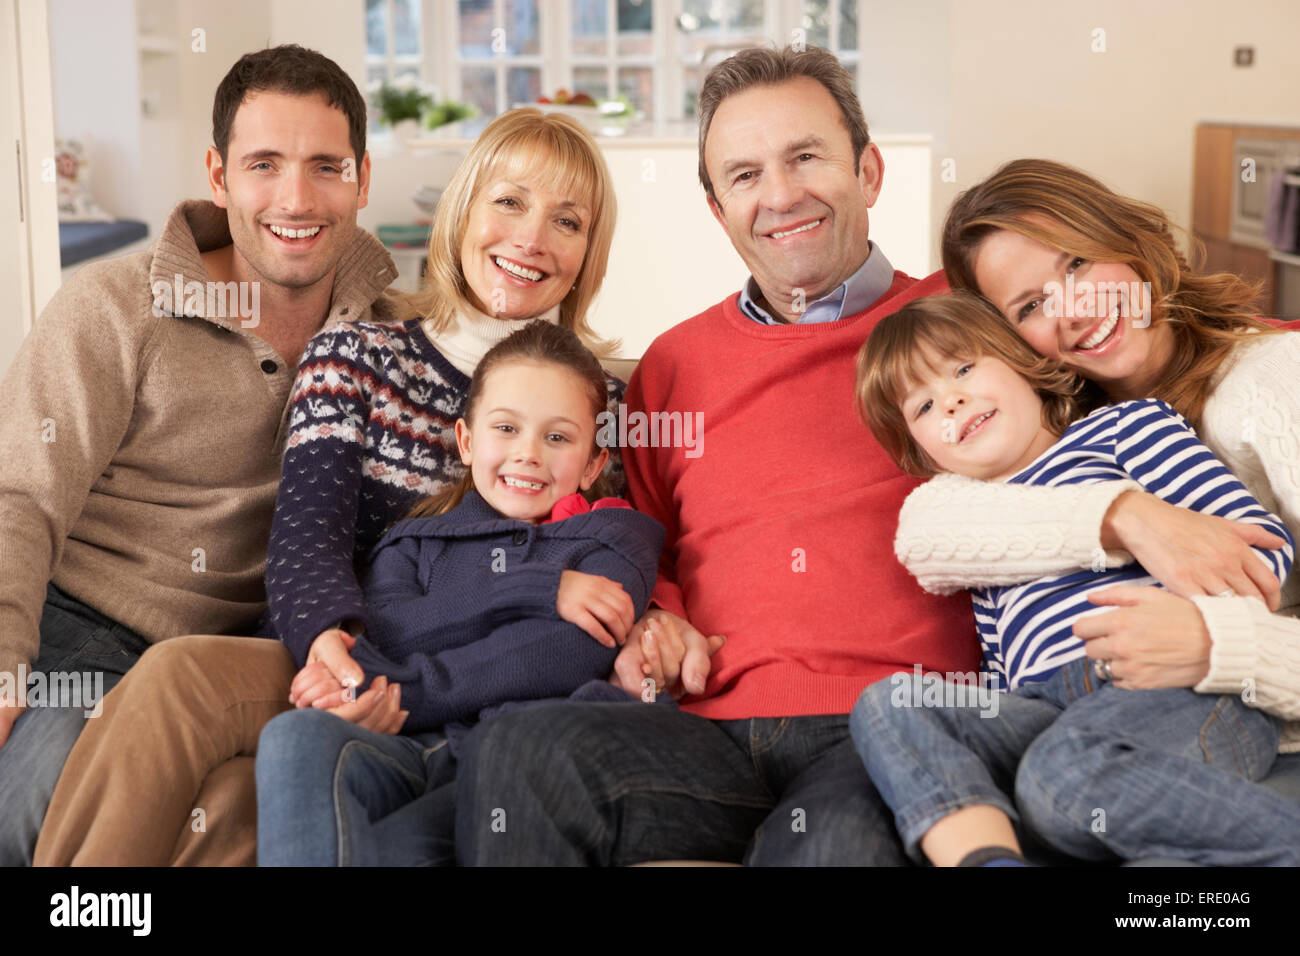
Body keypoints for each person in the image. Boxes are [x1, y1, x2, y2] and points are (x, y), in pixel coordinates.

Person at [33, 102, 624, 865]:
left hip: (495, 680)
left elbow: (611, 570)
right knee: (181, 686)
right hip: (336, 650)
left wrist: (419, 683)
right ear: (463, 210)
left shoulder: (604, 405)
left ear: (590, 251)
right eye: (508, 201)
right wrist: (331, 647)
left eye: (568, 221)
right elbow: (308, 535)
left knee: (231, 814)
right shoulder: (357, 354)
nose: (531, 239)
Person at [453, 45, 979, 867]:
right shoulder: (672, 365)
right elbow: (636, 536)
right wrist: (656, 614)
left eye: (807, 157)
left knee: (834, 848)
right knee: (521, 751)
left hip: (895, 721)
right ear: (717, 209)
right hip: (706, 731)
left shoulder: (963, 322)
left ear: (869, 171)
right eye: (744, 175)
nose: (780, 195)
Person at [0, 44, 397, 866]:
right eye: (264, 164)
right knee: (38, 806)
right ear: (218, 175)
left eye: (326, 167)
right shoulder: (112, 307)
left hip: (251, 654)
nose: (296, 198)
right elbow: (17, 498)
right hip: (81, 632)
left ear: (363, 180)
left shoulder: (393, 338)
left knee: (247, 811)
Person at [888, 157, 1300, 854]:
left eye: (1077, 265)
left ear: (1130, 240)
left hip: (1236, 719)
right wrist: (1123, 516)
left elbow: (1257, 567)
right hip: (1099, 727)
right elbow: (929, 529)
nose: (1072, 311)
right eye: (1030, 307)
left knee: (1065, 782)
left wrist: (1218, 645)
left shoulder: (1270, 383)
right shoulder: (1064, 426)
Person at [256, 321, 665, 865]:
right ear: (467, 442)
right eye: (506, 429)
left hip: (511, 766)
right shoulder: (416, 538)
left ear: (594, 462)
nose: (529, 454)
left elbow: (561, 654)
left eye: (558, 437)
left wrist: (396, 691)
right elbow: (389, 628)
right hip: (405, 744)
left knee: (390, 854)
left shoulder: (615, 539)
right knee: (294, 736)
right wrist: (534, 588)